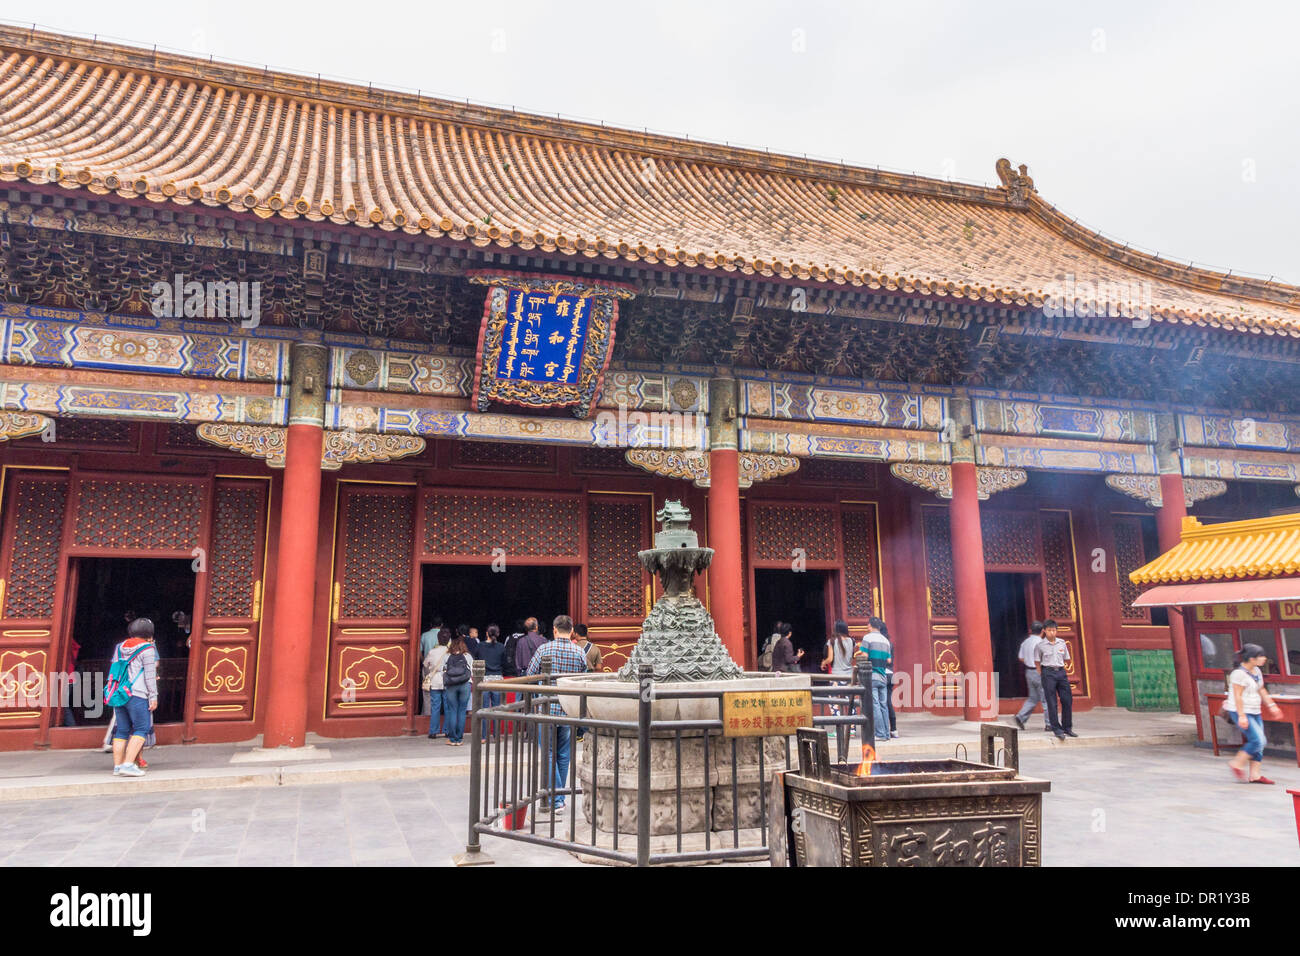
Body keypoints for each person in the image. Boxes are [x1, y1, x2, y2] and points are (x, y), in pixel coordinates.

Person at [525, 615, 589, 813]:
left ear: (554, 630)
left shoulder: (544, 649)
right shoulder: (578, 652)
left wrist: (538, 693)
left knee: (549, 754)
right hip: (568, 710)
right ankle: (558, 798)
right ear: (571, 631)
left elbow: (530, 674)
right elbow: (582, 678)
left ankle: (557, 799)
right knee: (563, 755)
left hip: (547, 708)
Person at [1223, 643, 1283, 784]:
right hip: (1241, 711)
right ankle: (1237, 763)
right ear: (1251, 658)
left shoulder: (1256, 671)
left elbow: (1261, 689)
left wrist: (1272, 705)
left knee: (1259, 742)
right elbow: (1237, 696)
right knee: (1258, 740)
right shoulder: (1238, 674)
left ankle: (1255, 775)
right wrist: (1242, 716)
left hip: (1255, 709)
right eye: (1261, 656)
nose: (1264, 658)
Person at [109, 618, 159, 777]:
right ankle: (129, 764)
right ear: (149, 633)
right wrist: (153, 696)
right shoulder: (148, 649)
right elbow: (150, 676)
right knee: (141, 728)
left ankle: (117, 766)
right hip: (137, 693)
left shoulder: (119, 647)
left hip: (119, 693)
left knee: (122, 730)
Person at [1035, 620, 1075, 740]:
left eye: (1054, 630)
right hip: (1048, 673)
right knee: (1052, 702)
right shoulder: (1040, 646)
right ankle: (1056, 729)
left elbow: (1066, 658)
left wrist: (1062, 670)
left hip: (1061, 672)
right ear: (1045, 631)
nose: (1052, 633)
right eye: (1049, 630)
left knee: (1067, 700)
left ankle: (1067, 728)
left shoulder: (1062, 643)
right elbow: (1037, 662)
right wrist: (1043, 674)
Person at [853, 617, 892, 742]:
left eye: (868, 625)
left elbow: (865, 656)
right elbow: (889, 660)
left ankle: (880, 734)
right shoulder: (886, 641)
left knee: (875, 705)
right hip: (883, 675)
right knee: (883, 705)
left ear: (870, 626)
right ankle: (886, 733)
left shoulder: (867, 638)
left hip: (872, 675)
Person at [1013, 621, 1049, 732]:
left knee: (1033, 698)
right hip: (1040, 672)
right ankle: (1049, 724)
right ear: (1043, 631)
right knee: (1046, 699)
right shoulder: (1042, 643)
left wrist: (1029, 661)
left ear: (1030, 630)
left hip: (1029, 671)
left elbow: (1021, 658)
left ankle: (1021, 717)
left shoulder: (1025, 642)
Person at [440, 635, 474, 746]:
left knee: (452, 710)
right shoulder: (467, 656)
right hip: (465, 684)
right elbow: (472, 672)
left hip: (451, 685)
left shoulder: (447, 656)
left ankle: (452, 739)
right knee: (462, 710)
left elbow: (442, 671)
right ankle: (459, 739)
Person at [477, 624, 506, 738]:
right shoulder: (501, 647)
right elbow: (504, 662)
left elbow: (476, 659)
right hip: (497, 679)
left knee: (484, 708)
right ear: (498, 634)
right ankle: (496, 735)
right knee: (497, 708)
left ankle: (483, 736)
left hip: (484, 679)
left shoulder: (480, 646)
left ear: (486, 634)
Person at [422, 629, 451, 738]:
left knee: (435, 707)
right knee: (448, 707)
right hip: (447, 680)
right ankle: (447, 731)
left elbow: (425, 664)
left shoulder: (432, 652)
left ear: (438, 639)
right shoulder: (450, 652)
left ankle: (433, 731)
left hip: (435, 681)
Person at [418, 616, 443, 714]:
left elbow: (419, 651)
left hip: (428, 666)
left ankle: (427, 715)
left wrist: (424, 662)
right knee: (442, 692)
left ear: (430, 624)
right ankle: (440, 716)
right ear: (442, 625)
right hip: (441, 668)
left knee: (427, 691)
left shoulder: (424, 635)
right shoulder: (445, 635)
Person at [879, 619, 899, 738]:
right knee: (888, 702)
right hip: (890, 673)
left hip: (882, 673)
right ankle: (894, 729)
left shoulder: (881, 643)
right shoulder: (889, 643)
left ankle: (884, 728)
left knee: (881, 703)